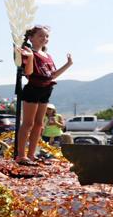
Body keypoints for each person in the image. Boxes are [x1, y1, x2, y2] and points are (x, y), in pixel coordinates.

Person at [14, 24, 72, 163]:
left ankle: (31, 154)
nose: (44, 38)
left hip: (46, 89)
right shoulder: (29, 52)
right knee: (28, 123)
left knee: (39, 124)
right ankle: (21, 155)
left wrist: (68, 64)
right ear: (31, 38)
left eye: (46, 36)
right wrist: (30, 58)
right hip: (33, 88)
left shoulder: (47, 56)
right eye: (40, 35)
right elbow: (28, 73)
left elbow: (52, 75)